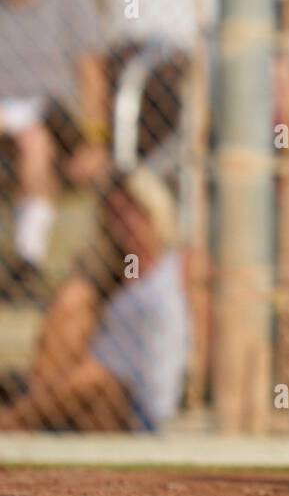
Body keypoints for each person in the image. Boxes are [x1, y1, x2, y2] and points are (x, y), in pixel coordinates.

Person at [0, 168, 189, 431]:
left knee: (96, 377)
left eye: (135, 213)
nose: (126, 224)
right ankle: (30, 413)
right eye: (116, 215)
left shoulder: (178, 267)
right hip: (93, 389)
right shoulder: (126, 271)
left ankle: (14, 422)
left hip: (139, 400)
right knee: (74, 303)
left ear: (155, 213)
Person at [0, 0, 110, 274]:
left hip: (56, 116)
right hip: (5, 115)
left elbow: (91, 74)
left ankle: (28, 258)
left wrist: (95, 140)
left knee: (33, 138)